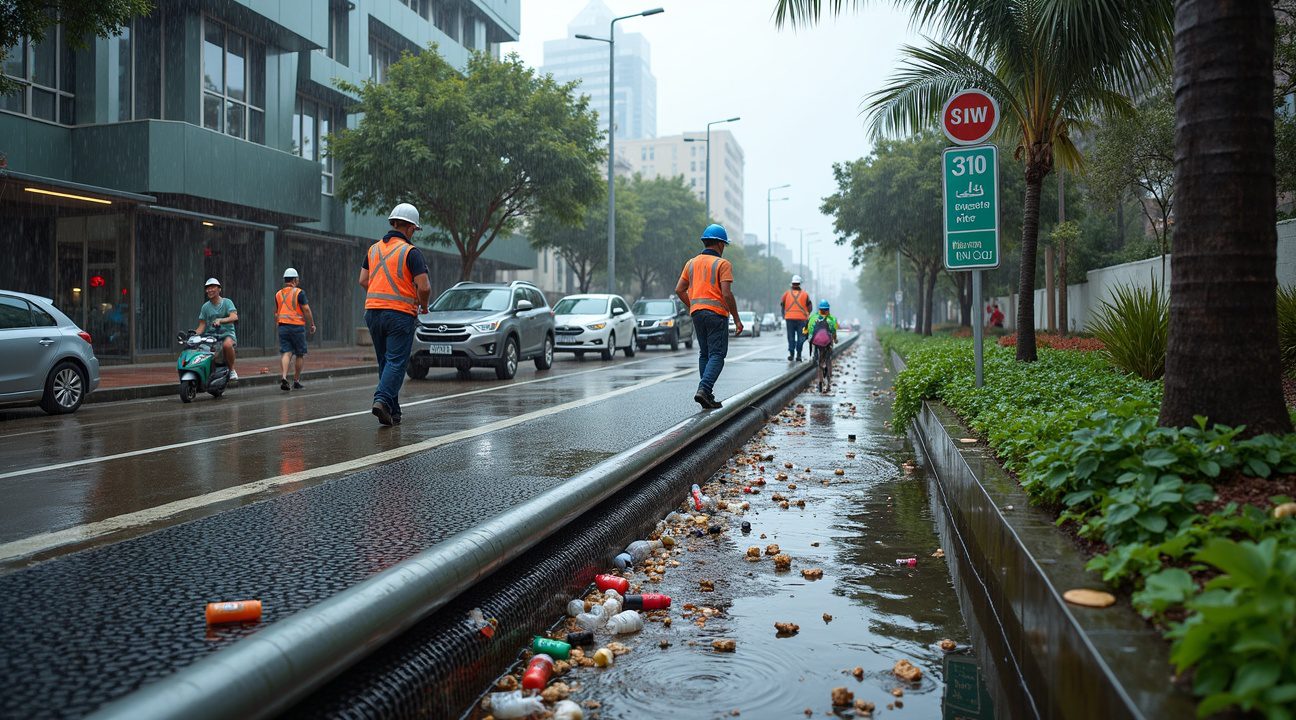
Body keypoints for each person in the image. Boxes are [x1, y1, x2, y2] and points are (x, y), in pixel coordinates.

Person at [359, 203, 432, 426]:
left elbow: (363, 280)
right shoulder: (411, 252)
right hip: (399, 315)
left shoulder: (373, 249)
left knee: (386, 362)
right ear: (410, 227)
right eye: (414, 230)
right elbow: (425, 286)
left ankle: (393, 411)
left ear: (393, 222)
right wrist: (424, 306)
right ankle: (381, 400)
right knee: (397, 362)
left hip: (373, 313)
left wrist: (380, 296)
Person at [675, 223, 742, 410]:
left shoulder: (691, 263)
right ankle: (704, 389)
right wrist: (736, 318)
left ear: (705, 242)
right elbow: (727, 294)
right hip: (716, 315)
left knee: (704, 353)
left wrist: (694, 305)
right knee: (717, 355)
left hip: (697, 314)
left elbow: (679, 289)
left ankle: (707, 394)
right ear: (721, 244)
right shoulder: (723, 264)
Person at [275, 267, 316, 391]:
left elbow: (276, 313)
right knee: (299, 353)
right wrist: (312, 324)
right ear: (295, 280)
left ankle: (284, 377)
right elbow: (306, 310)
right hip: (297, 327)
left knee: (286, 352)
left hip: (283, 327)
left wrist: (278, 324)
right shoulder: (299, 292)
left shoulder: (278, 294)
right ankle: (296, 381)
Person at [194, 278, 238, 380]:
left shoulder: (227, 302)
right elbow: (202, 326)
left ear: (219, 289)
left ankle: (232, 370)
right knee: (198, 351)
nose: (210, 290)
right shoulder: (205, 307)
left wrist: (221, 320)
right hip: (210, 338)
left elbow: (234, 317)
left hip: (227, 335)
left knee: (227, 345)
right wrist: (193, 335)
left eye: (213, 287)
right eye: (208, 288)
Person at [805, 299, 839, 393]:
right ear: (828, 309)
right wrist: (835, 340)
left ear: (819, 309)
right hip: (827, 344)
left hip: (816, 343)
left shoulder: (813, 318)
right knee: (828, 360)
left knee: (819, 363)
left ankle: (820, 383)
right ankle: (828, 382)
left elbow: (808, 331)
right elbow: (833, 332)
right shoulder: (831, 319)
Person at [780, 275, 812, 362]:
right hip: (802, 319)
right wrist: (808, 314)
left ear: (792, 284)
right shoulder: (805, 294)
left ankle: (791, 353)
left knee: (791, 337)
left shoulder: (786, 294)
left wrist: (783, 314)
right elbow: (809, 306)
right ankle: (798, 355)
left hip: (789, 318)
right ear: (799, 284)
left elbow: (782, 305)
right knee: (801, 337)